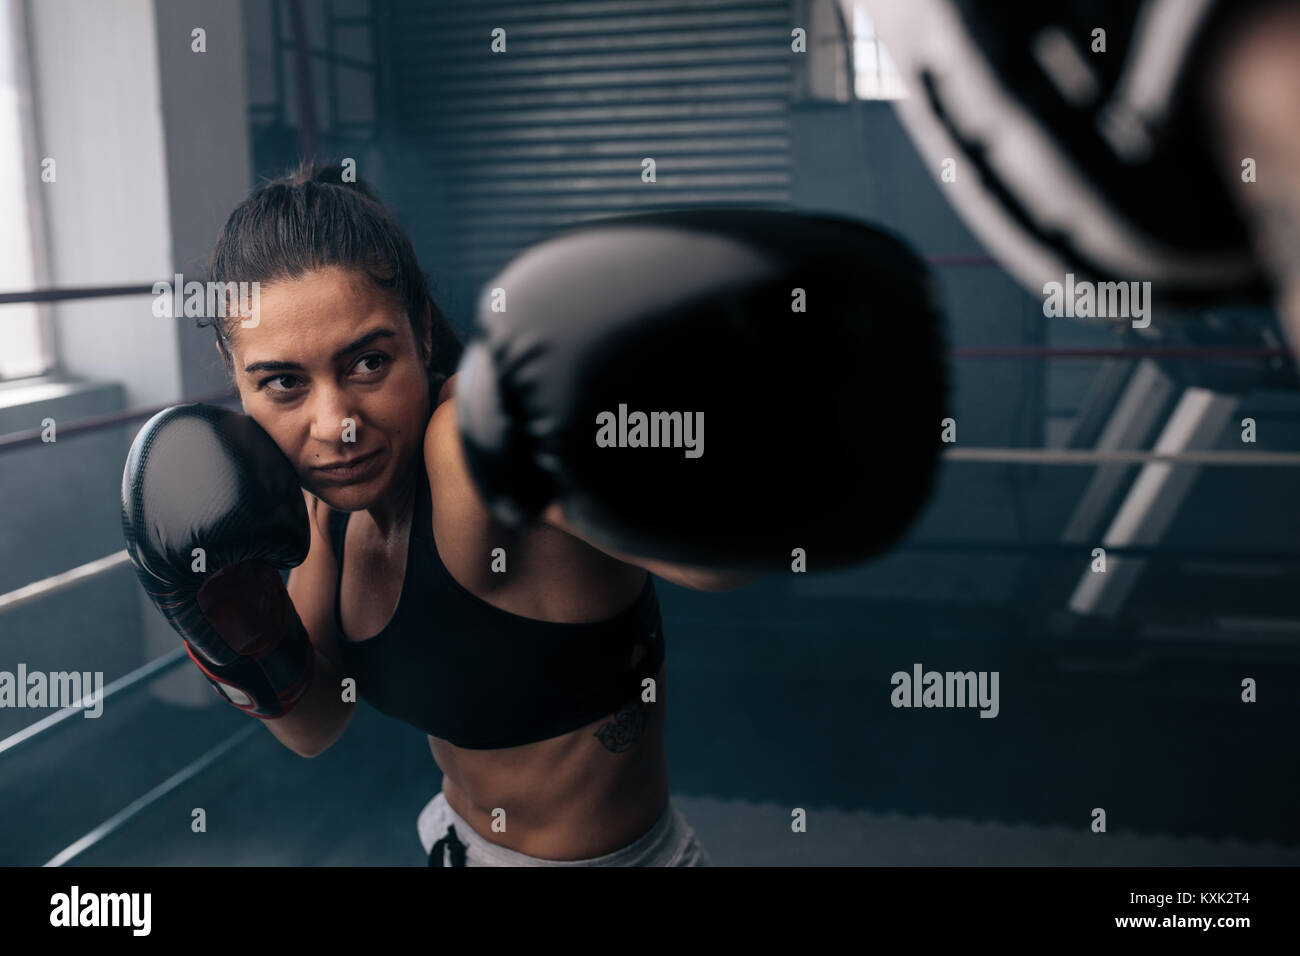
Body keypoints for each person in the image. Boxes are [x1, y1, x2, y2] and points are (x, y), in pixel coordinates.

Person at [121, 163, 947, 866]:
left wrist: (760, 433)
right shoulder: (313, 506)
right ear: (235, 380)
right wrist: (224, 620)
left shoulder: (470, 447)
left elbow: (717, 566)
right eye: (283, 384)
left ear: (418, 333)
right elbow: (316, 723)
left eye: (369, 361)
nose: (335, 422)